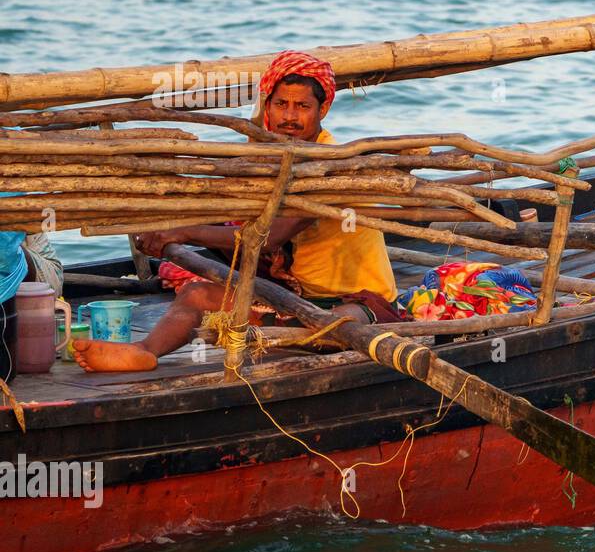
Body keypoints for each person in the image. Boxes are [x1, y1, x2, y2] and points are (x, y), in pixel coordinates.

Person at [72, 50, 398, 372]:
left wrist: (183, 232)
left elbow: (269, 238)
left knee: (340, 326)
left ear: (322, 109)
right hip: (296, 298)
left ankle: (290, 333)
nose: (290, 117)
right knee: (197, 293)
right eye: (281, 104)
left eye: (303, 107)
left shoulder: (328, 165)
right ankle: (144, 351)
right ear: (267, 105)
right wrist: (167, 225)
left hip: (356, 300)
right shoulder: (267, 157)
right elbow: (225, 209)